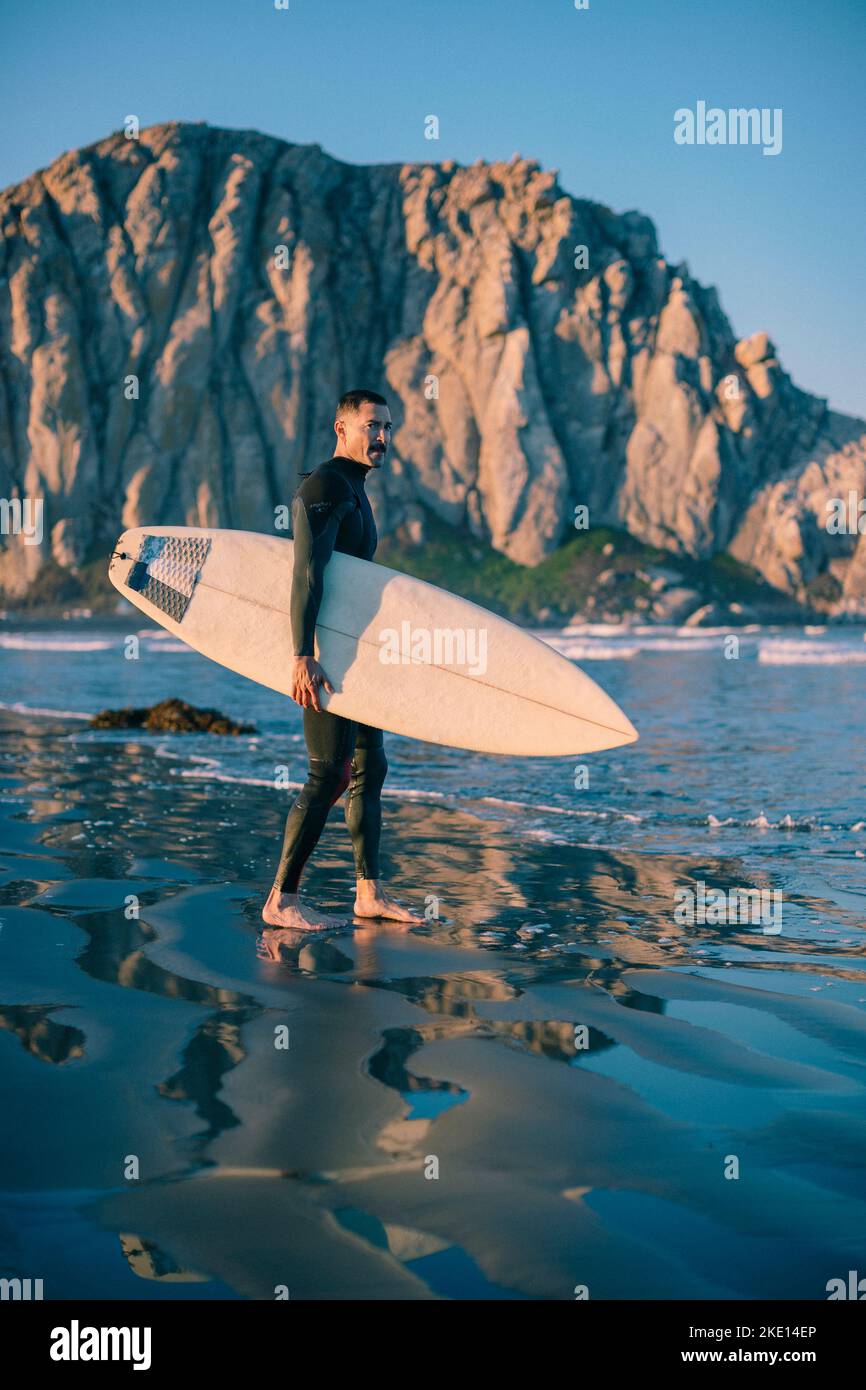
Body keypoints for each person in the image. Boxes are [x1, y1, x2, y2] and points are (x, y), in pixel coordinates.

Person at [261, 390, 424, 933]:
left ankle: (367, 893)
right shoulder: (326, 485)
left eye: (388, 427)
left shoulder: (356, 488)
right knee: (327, 772)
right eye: (372, 425)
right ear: (342, 427)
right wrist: (302, 655)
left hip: (360, 657)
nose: (382, 437)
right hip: (327, 655)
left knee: (369, 768)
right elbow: (307, 573)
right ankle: (281, 899)